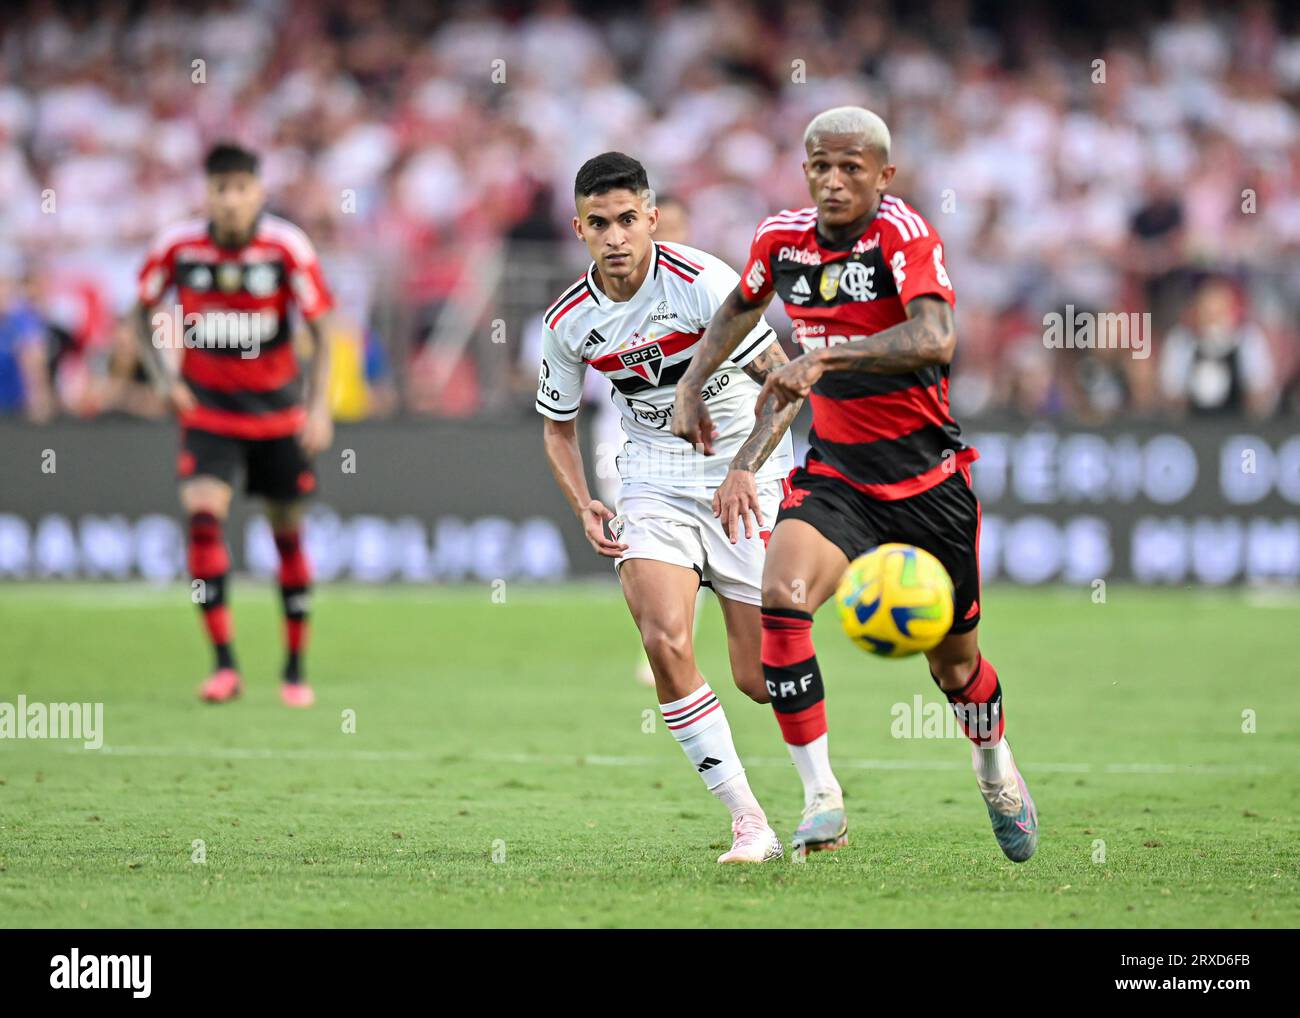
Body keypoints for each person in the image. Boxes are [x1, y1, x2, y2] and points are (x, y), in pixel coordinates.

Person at [672, 107, 1038, 862]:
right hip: (838, 478)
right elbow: (737, 312)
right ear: (804, 170)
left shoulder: (902, 236)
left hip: (928, 483)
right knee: (782, 596)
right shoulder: (781, 241)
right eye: (820, 167)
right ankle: (821, 799)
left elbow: (936, 337)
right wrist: (693, 390)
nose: (834, 181)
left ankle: (994, 766)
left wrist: (825, 360)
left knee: (956, 666)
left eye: (851, 168)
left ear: (883, 175)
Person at [537, 152, 797, 863]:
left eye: (628, 219)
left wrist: (743, 470)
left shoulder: (705, 283)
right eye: (600, 224)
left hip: (743, 459)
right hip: (651, 474)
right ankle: (749, 821)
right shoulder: (567, 321)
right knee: (665, 642)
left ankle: (820, 783)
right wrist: (587, 502)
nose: (616, 236)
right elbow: (557, 425)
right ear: (579, 229)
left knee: (757, 679)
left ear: (652, 218)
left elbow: (784, 385)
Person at [134, 143, 335, 708]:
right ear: (207, 194)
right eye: (220, 189)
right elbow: (139, 309)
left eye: (240, 188)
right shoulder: (176, 246)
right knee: (202, 521)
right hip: (208, 413)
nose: (230, 200)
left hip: (277, 415)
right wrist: (162, 377)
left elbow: (322, 328)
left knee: (286, 535)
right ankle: (224, 666)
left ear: (258, 192)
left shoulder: (286, 247)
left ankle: (295, 670)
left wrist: (318, 408)